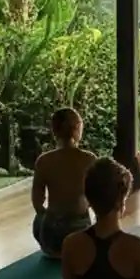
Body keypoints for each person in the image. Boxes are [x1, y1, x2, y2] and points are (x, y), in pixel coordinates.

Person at [31, 108, 97, 258]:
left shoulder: (44, 161)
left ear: (54, 131)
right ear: (77, 129)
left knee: (39, 219)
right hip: (80, 235)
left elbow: (37, 203)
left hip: (51, 239)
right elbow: (98, 198)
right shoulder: (89, 159)